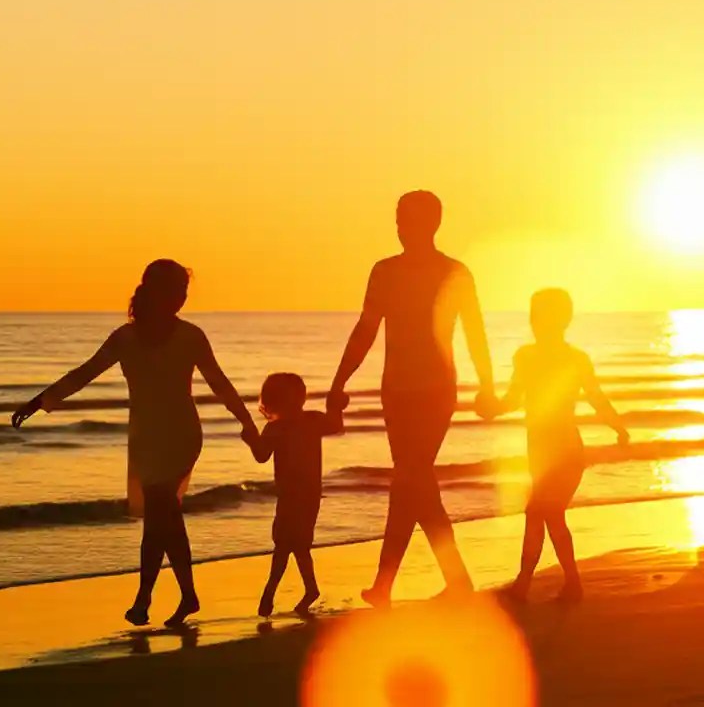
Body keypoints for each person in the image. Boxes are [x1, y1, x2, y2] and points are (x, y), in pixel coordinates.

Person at [10, 259, 257, 627]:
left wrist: (248, 423)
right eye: (176, 290)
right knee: (163, 519)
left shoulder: (191, 336)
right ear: (155, 291)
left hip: (181, 434)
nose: (182, 298)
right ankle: (185, 596)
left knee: (161, 513)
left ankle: (145, 599)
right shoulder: (124, 338)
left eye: (184, 292)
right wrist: (40, 401)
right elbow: (85, 373)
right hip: (145, 436)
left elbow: (220, 383)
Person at [327, 190, 497, 607]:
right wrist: (338, 380)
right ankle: (413, 583)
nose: (402, 227)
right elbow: (366, 329)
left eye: (409, 220)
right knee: (412, 484)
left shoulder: (455, 272)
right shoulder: (384, 271)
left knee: (410, 477)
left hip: (436, 389)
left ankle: (410, 582)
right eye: (399, 219)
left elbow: (475, 331)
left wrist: (488, 385)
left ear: (432, 224)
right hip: (397, 391)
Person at [495, 288, 628, 603]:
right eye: (534, 315)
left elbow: (596, 398)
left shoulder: (574, 358)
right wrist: (492, 407)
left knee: (540, 511)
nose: (536, 322)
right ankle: (569, 584)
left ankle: (527, 585)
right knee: (549, 514)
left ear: (561, 320)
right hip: (539, 449)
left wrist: (618, 426)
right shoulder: (525, 356)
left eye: (541, 315)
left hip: (565, 447)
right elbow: (513, 399)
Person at [244, 372, 346, 618]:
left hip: (292, 494)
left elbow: (261, 455)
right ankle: (310, 589)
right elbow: (336, 425)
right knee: (298, 544)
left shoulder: (275, 429)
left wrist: (250, 439)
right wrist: (336, 407)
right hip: (308, 493)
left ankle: (270, 593)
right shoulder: (311, 420)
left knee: (284, 544)